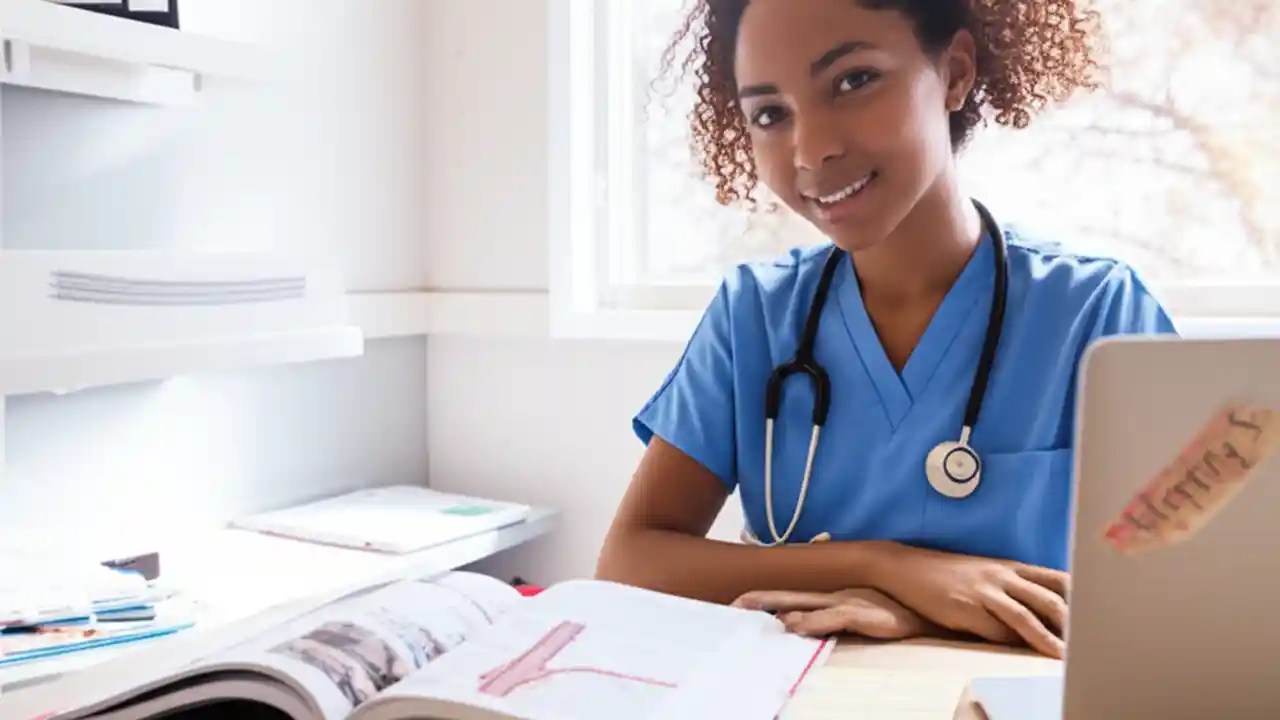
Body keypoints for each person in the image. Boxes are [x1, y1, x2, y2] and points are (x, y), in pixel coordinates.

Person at [594, 0, 1178, 659]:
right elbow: (630, 564)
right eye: (769, 114)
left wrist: (921, 613)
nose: (812, 149)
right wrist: (884, 566)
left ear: (954, 72)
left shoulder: (1098, 314)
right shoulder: (753, 317)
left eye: (853, 81)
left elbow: (1181, 595)